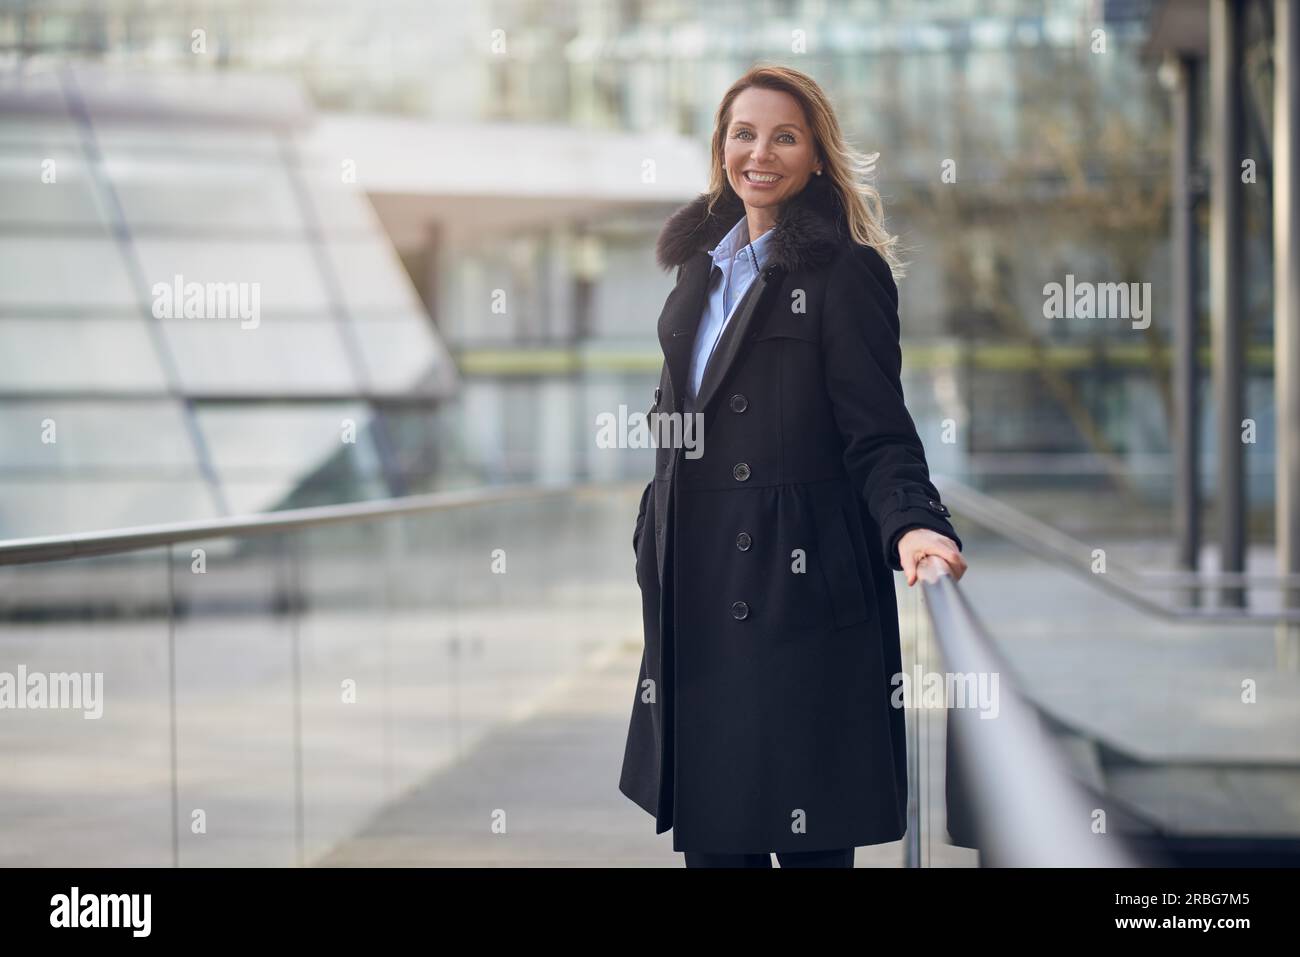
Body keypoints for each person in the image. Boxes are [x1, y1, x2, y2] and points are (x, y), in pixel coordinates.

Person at [620, 64, 968, 868]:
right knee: (716, 846)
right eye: (744, 133)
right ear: (721, 148)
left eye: (785, 136)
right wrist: (654, 528)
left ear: (816, 156)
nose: (760, 153)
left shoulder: (844, 273)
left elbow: (878, 432)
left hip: (796, 598)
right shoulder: (697, 272)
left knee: (812, 843)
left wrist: (915, 524)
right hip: (697, 596)